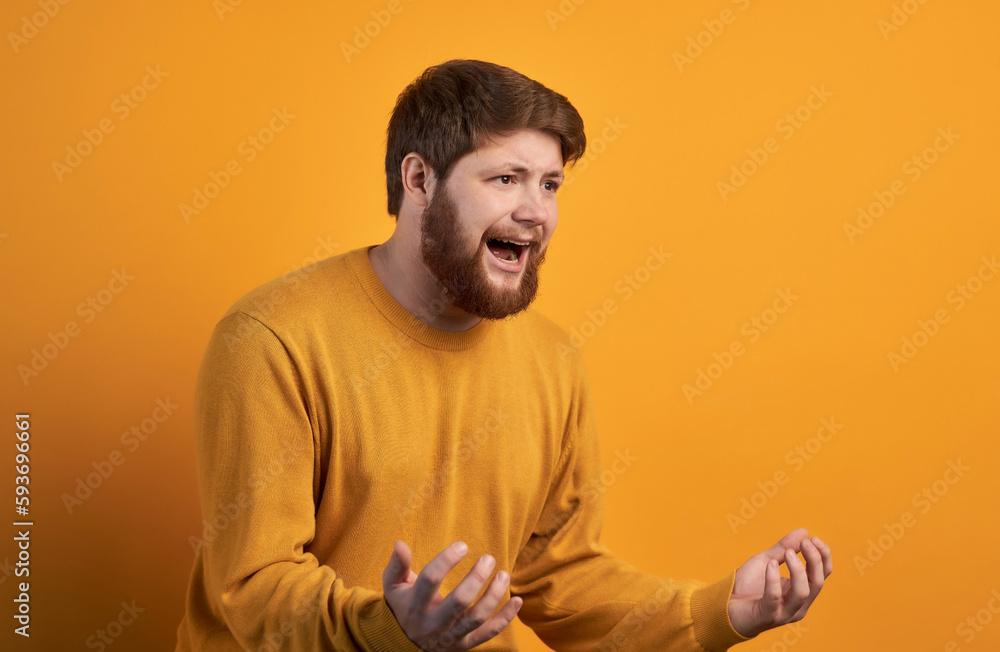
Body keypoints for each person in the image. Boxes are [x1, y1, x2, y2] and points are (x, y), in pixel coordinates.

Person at [175, 58, 832, 651]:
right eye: (507, 178)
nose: (536, 211)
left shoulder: (553, 360)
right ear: (419, 180)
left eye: (549, 185)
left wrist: (723, 611)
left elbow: (559, 577)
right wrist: (391, 630)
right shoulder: (272, 340)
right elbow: (254, 587)